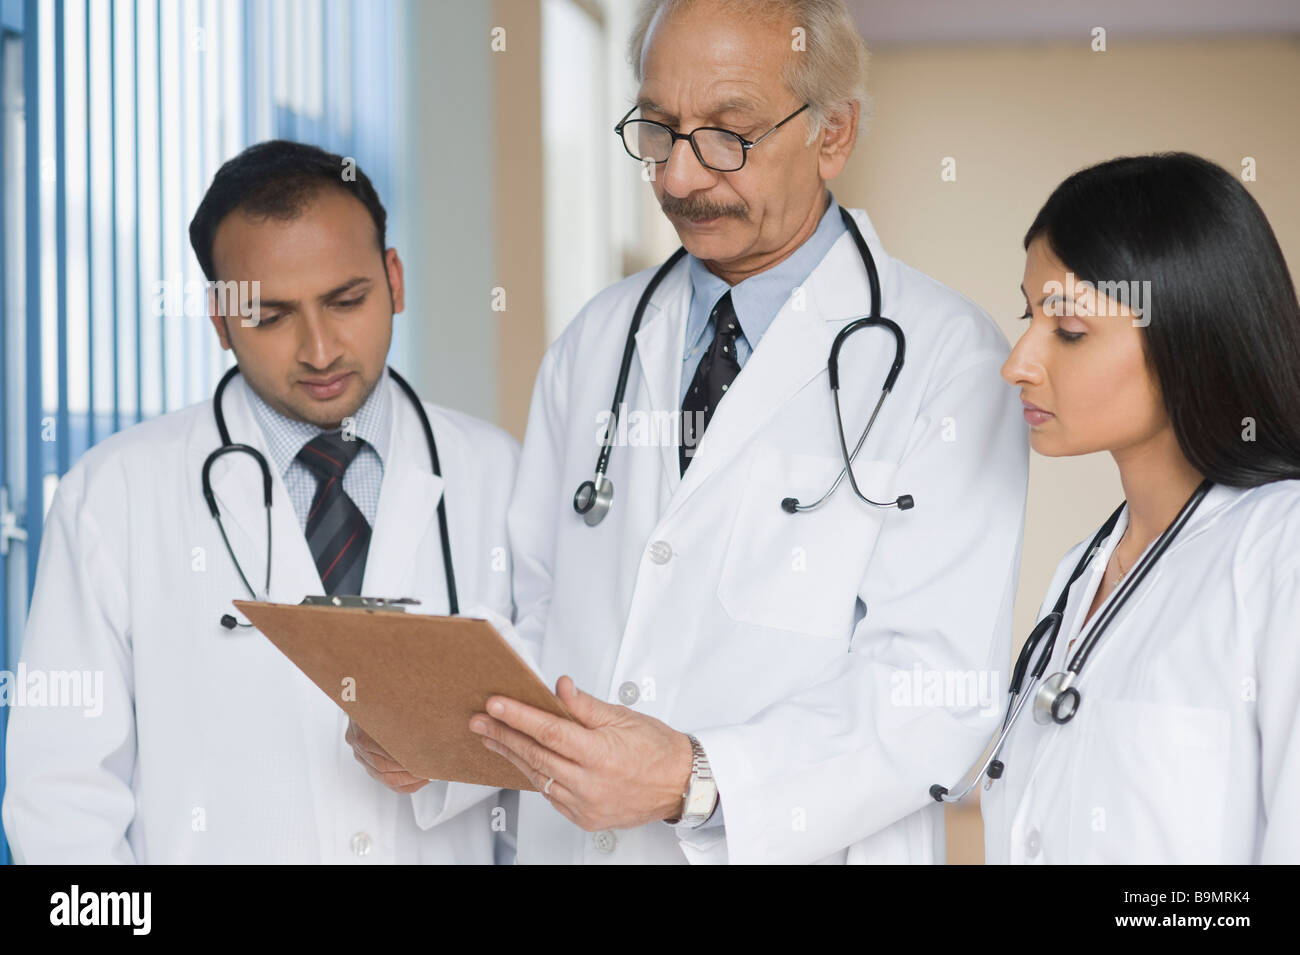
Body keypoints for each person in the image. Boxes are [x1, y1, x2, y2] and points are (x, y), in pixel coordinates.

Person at [466, 0, 1028, 863]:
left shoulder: (945, 359)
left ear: (832, 134)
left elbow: (933, 691)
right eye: (659, 130)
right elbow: (538, 611)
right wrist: (439, 738)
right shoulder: (596, 341)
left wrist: (696, 776)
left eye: (729, 135)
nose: (681, 178)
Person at [2, 140, 518, 863]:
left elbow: (546, 772)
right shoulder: (114, 496)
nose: (318, 349)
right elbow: (63, 803)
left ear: (394, 279)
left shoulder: (499, 476)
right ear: (220, 319)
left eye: (347, 300)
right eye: (271, 316)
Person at [983, 152, 1300, 864]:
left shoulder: (1283, 548)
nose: (1018, 362)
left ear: (1189, 334)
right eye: (1027, 316)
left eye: (1068, 331)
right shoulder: (1082, 570)